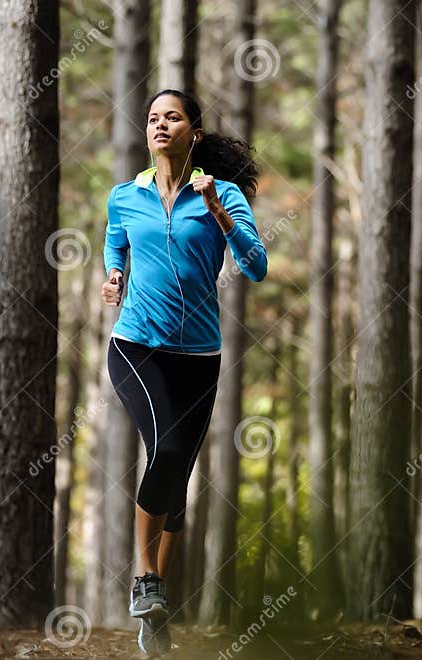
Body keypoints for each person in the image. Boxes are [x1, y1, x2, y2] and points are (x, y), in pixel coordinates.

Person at [101, 89, 267, 654]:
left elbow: (256, 265)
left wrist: (218, 208)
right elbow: (115, 242)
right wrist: (114, 276)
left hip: (199, 355)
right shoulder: (127, 195)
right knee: (167, 453)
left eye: (172, 117)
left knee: (177, 483)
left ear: (194, 131)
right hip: (136, 347)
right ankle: (145, 580)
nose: (159, 125)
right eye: (152, 118)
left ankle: (155, 610)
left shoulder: (222, 196)